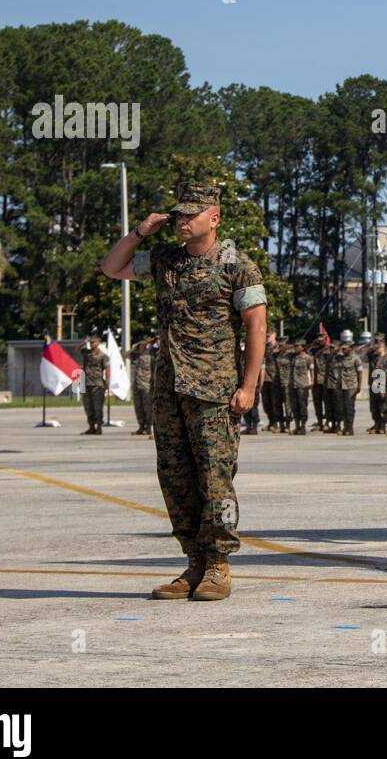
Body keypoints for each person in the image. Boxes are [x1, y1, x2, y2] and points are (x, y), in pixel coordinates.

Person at [101, 183, 266, 601]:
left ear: (214, 218)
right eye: (177, 214)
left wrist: (248, 385)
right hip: (170, 389)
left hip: (214, 390)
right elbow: (112, 268)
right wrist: (140, 231)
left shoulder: (237, 265)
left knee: (215, 480)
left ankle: (218, 564)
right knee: (175, 479)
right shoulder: (164, 259)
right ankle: (193, 562)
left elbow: (256, 325)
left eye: (190, 214)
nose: (181, 221)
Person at [79, 335, 109, 435]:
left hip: (97, 384)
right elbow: (77, 349)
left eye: (93, 342)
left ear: (98, 343)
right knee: (88, 407)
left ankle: (99, 427)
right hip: (86, 383)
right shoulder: (86, 353)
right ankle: (91, 427)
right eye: (90, 342)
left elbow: (107, 368)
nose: (91, 344)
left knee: (98, 407)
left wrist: (107, 381)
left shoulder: (103, 355)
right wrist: (84, 342)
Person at [131, 338, 155, 435]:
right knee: (138, 407)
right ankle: (141, 426)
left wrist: (148, 344)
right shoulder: (136, 356)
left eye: (143, 345)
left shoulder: (151, 357)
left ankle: (150, 427)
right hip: (136, 385)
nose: (141, 347)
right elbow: (125, 355)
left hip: (146, 385)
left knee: (148, 407)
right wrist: (136, 346)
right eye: (140, 346)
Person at [367, 333, 387, 434]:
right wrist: (369, 346)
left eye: (378, 347)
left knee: (383, 407)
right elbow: (361, 353)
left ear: (383, 346)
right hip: (373, 384)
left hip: (383, 385)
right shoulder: (373, 357)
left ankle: (382, 426)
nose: (375, 348)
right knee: (374, 406)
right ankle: (376, 424)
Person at [291, 340, 313, 434]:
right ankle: (297, 426)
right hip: (294, 384)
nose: (295, 348)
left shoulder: (308, 358)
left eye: (297, 346)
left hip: (303, 385)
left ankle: (303, 427)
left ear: (303, 347)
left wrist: (312, 381)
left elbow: (312, 370)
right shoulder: (293, 357)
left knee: (302, 406)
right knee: (295, 407)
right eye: (295, 346)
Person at [261, 332, 279, 432]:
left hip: (274, 378)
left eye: (269, 336)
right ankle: (270, 422)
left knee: (274, 402)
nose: (267, 338)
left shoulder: (278, 348)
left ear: (274, 336)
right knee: (266, 403)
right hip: (265, 379)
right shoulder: (265, 348)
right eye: (266, 336)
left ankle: (275, 423)